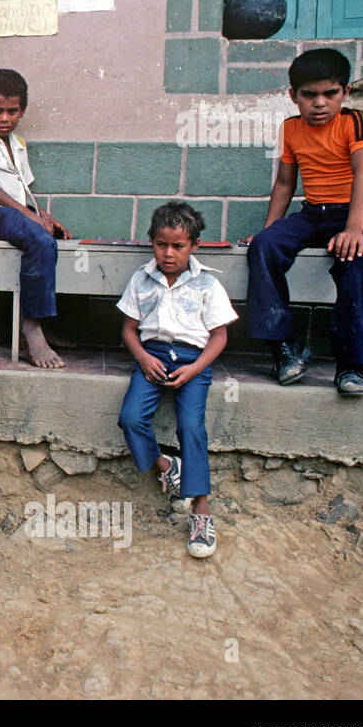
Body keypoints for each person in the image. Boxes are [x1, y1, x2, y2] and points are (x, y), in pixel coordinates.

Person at [243, 48, 363, 396]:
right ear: (293, 96)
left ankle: (352, 366)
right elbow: (285, 183)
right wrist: (269, 228)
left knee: (353, 263)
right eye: (309, 95)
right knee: (264, 246)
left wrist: (354, 229)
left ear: (345, 92)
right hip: (314, 213)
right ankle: (285, 349)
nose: (319, 103)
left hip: (359, 214)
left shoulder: (355, 122)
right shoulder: (290, 128)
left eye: (330, 94)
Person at [116, 202, 237, 559]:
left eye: (178, 246)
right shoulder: (141, 279)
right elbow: (128, 329)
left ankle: (201, 510)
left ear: (194, 245)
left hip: (192, 361)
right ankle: (167, 467)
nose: (168, 254)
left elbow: (219, 337)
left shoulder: (207, 284)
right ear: (152, 242)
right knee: (131, 418)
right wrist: (142, 357)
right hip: (151, 357)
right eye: (161, 244)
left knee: (190, 427)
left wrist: (195, 369)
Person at [0, 69, 71, 368]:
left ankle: (45, 324)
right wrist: (29, 218)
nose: (5, 118)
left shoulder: (18, 144)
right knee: (38, 239)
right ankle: (31, 329)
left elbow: (24, 192)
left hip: (13, 213)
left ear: (22, 110)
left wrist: (45, 216)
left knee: (57, 240)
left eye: (12, 111)